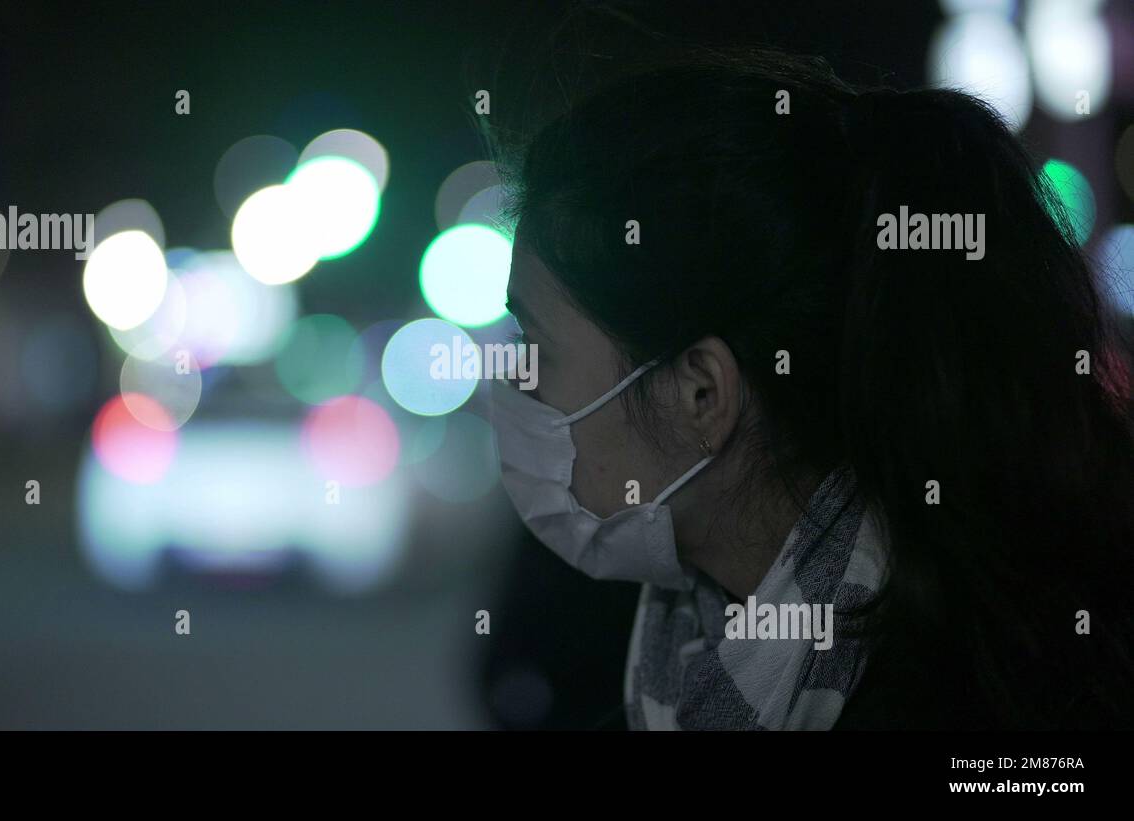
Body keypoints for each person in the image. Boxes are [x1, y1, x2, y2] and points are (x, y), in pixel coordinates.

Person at [485, 47, 1134, 730]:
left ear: (702, 393)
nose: (512, 381)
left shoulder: (999, 710)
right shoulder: (673, 664)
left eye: (535, 347)